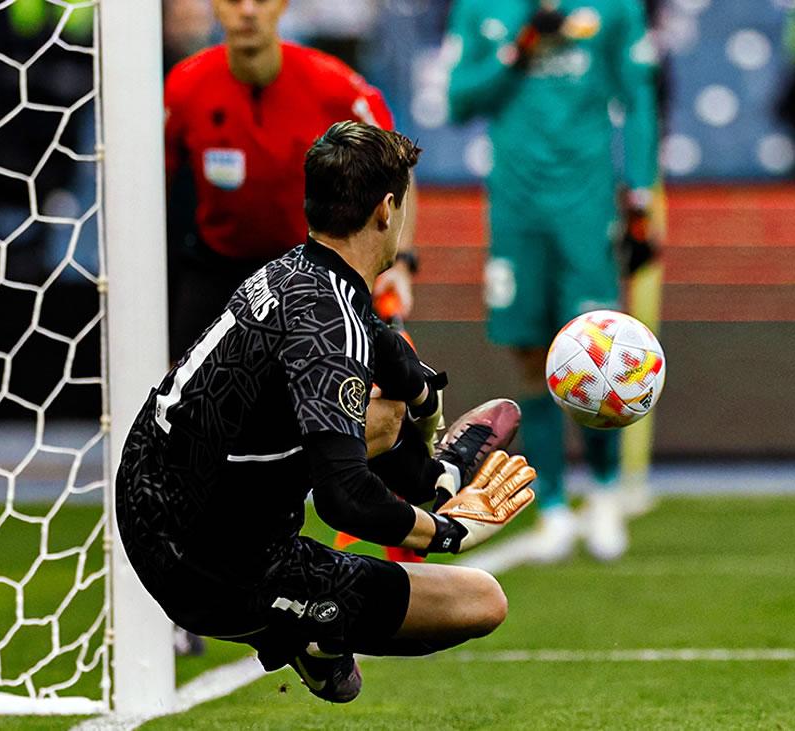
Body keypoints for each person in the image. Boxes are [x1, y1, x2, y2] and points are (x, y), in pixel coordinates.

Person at [116, 122, 535, 702]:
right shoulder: (332, 329)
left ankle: (434, 478)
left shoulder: (293, 270)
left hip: (147, 493)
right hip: (213, 569)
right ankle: (302, 625)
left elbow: (384, 349)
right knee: (481, 600)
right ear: (387, 209)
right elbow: (346, 499)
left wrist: (425, 401)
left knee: (376, 413)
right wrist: (447, 532)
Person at [446, 0, 661, 561]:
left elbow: (638, 96)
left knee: (598, 354)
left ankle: (605, 492)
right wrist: (518, 49)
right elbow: (459, 99)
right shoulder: (481, 8)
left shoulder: (615, 8)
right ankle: (554, 506)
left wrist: (640, 195)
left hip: (586, 204)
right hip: (517, 206)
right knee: (528, 353)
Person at [163, 0, 417, 359]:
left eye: (261, 0)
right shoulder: (184, 87)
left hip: (310, 271)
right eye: (234, 0)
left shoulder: (334, 85)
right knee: (179, 386)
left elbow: (398, 167)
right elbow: (153, 184)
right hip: (215, 268)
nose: (247, 11)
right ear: (215, 6)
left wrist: (399, 263)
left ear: (282, 5)